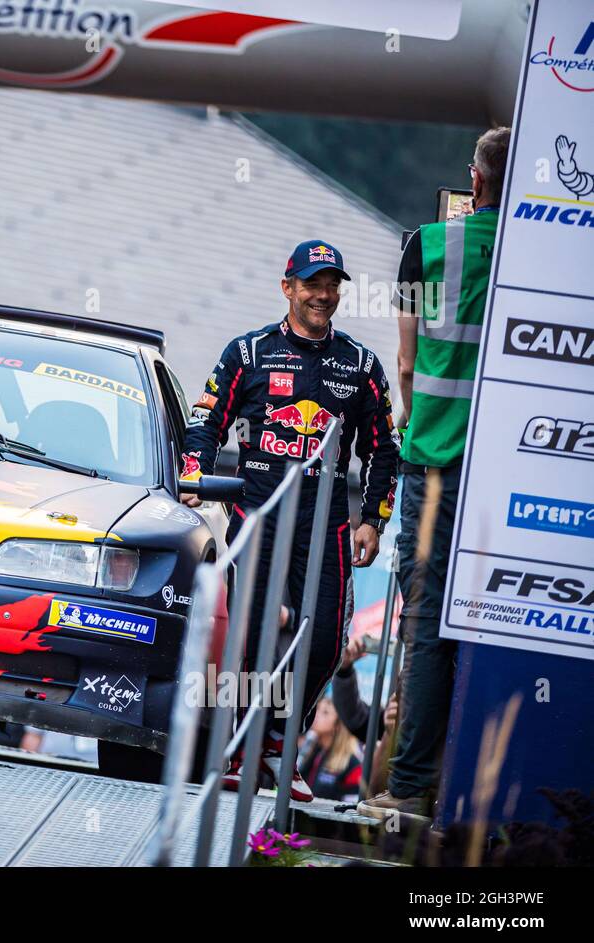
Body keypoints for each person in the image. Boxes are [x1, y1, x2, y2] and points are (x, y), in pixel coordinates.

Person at [181, 238, 399, 802]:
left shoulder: (361, 364)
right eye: (312, 284)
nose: (323, 295)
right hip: (258, 517)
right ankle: (241, 744)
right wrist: (194, 474)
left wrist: (373, 517)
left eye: (332, 285)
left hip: (327, 526)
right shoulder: (248, 353)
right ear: (288, 288)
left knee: (325, 640)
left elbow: (384, 449)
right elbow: (206, 419)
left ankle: (283, 742)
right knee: (252, 637)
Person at [360, 127, 510, 823]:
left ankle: (411, 784)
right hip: (508, 472)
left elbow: (409, 362)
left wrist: (418, 428)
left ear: (474, 181)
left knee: (425, 623)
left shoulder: (427, 246)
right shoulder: (540, 253)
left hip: (434, 468)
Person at [298, 698, 363, 803]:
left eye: (325, 712)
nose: (316, 714)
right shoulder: (313, 750)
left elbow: (351, 809)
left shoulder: (352, 764)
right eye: (317, 709)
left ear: (337, 725)